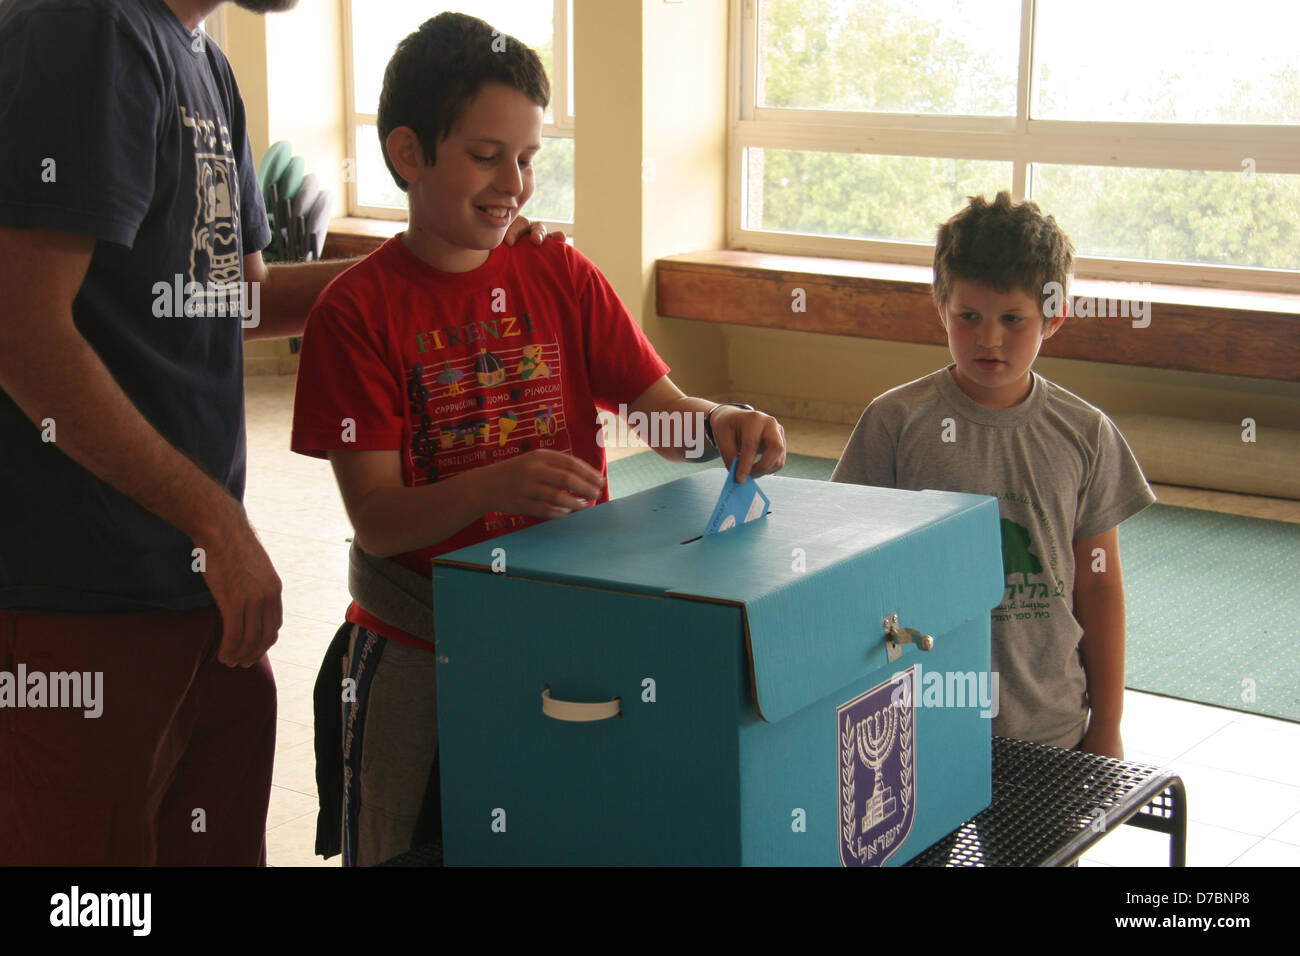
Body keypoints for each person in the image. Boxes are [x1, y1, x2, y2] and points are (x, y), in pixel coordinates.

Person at [0, 0, 553, 866]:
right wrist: (214, 522)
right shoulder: (87, 30)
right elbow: (19, 332)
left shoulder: (206, 64)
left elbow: (236, 294)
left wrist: (438, 251)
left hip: (194, 590)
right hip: (84, 590)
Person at [290, 11, 787, 866]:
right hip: (420, 643)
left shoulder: (559, 272)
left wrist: (719, 427)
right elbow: (376, 520)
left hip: (563, 626)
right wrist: (492, 486)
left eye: (528, 159)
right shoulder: (356, 312)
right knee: (410, 845)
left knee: (569, 831)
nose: (514, 185)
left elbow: (658, 413)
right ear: (408, 155)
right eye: (487, 156)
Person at [831, 191, 1154, 758]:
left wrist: (1108, 722)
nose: (988, 339)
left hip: (1048, 722)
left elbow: (1099, 584)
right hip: (919, 719)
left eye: (1012, 320)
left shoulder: (1086, 433)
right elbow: (847, 565)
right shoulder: (895, 422)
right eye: (969, 316)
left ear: (1053, 317)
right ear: (941, 308)